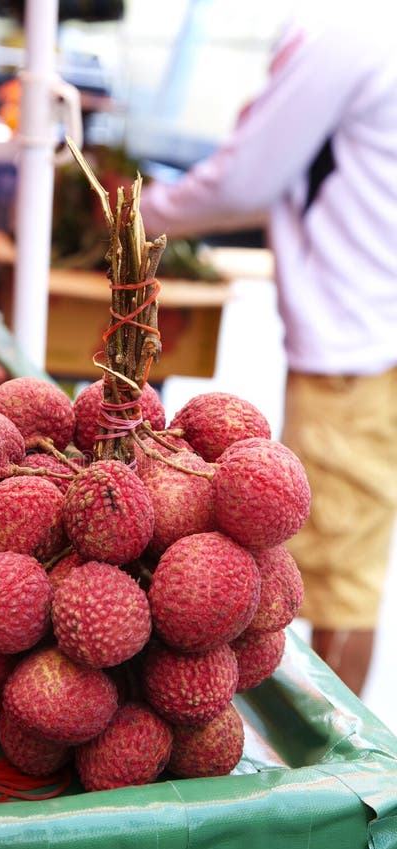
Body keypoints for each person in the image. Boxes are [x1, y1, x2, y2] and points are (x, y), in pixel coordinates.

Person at [138, 2, 397, 697]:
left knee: (341, 578)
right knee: (337, 560)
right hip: (368, 335)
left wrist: (137, 212)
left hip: (360, 349)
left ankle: (347, 780)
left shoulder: (354, 32)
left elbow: (248, 176)